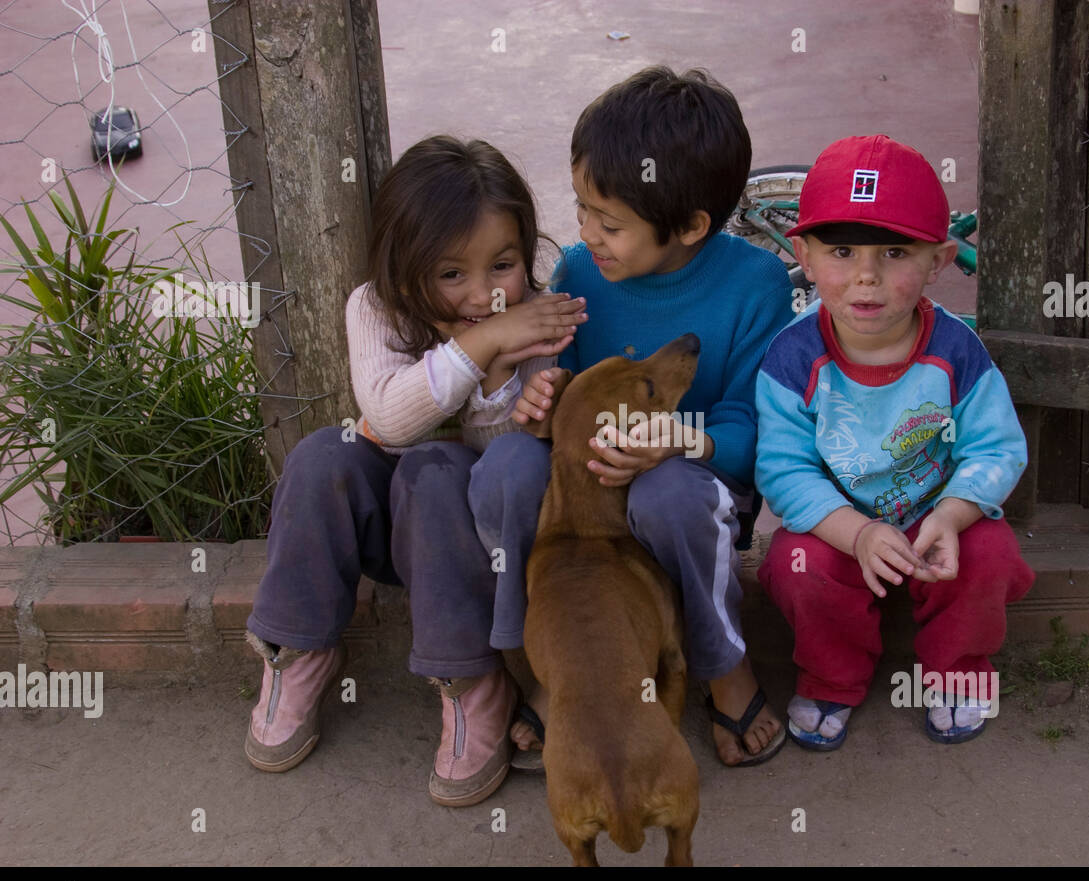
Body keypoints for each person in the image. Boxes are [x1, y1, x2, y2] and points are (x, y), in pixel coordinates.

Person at [242, 135, 587, 807]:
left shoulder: (541, 319)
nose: (485, 293)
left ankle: (473, 682)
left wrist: (503, 373)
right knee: (321, 456)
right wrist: (485, 345)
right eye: (452, 273)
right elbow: (392, 418)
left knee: (435, 468)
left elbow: (497, 462)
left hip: (467, 545)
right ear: (405, 267)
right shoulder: (374, 309)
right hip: (388, 534)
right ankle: (298, 650)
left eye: (504, 265)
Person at [470, 66, 794, 768]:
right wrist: (539, 403)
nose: (586, 234)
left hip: (693, 491)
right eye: (583, 210)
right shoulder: (582, 275)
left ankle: (722, 663)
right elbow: (560, 396)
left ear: (691, 226)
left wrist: (684, 441)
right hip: (586, 492)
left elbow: (754, 434)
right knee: (505, 468)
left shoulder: (756, 286)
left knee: (668, 491)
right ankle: (546, 666)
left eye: (609, 223)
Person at [754, 135, 1037, 750]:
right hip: (840, 530)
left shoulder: (958, 351)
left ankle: (957, 669)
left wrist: (953, 514)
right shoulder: (791, 358)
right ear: (802, 253)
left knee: (990, 552)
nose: (866, 275)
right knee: (793, 563)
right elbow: (783, 470)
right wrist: (855, 533)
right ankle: (832, 676)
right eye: (842, 249)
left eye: (894, 252)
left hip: (938, 521)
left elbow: (996, 450)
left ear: (939, 260)